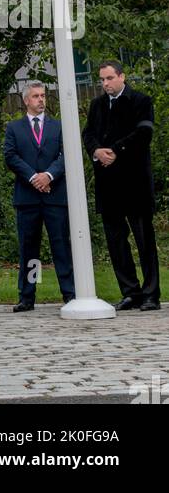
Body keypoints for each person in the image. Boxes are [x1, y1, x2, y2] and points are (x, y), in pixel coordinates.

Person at [82, 60, 160, 311]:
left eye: (109, 78)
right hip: (108, 184)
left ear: (122, 76)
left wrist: (116, 150)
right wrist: (96, 151)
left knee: (144, 241)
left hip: (135, 182)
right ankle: (130, 291)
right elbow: (88, 134)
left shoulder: (140, 101)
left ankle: (150, 294)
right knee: (116, 242)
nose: (105, 84)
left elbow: (144, 133)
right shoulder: (97, 105)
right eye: (101, 79)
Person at [3, 81, 75, 310]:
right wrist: (34, 177)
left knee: (61, 246)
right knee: (30, 248)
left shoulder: (58, 126)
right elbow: (11, 156)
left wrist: (49, 176)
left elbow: (67, 154)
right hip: (28, 197)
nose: (41, 100)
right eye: (35, 96)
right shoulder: (14, 128)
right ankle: (28, 295)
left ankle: (69, 293)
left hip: (54, 195)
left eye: (43, 95)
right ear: (26, 100)